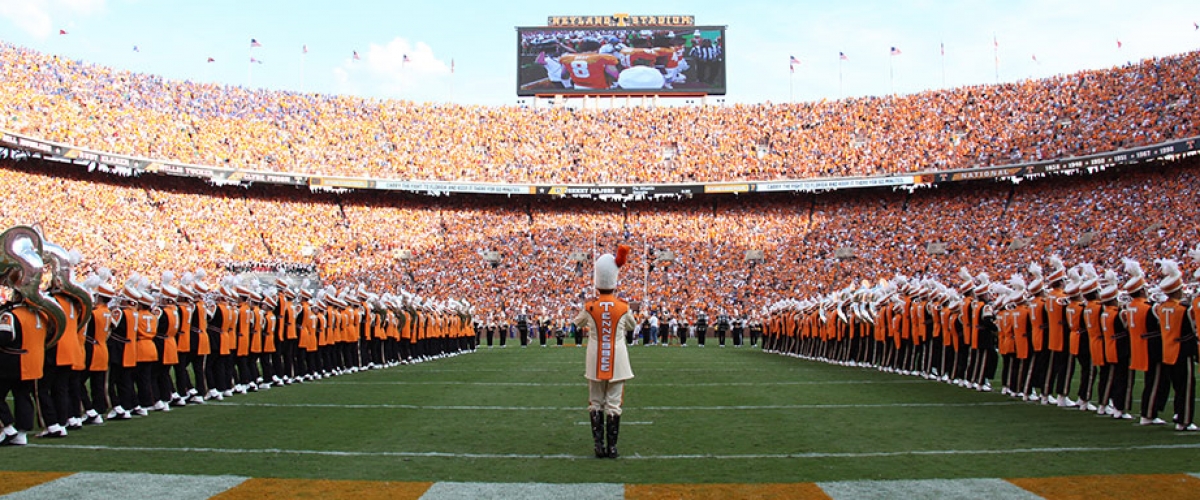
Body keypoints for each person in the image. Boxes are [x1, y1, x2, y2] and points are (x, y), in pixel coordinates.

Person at [574, 245, 636, 459]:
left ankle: (598, 446)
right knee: (614, 403)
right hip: (617, 358)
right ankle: (613, 447)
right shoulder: (623, 307)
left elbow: (577, 322)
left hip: (594, 357)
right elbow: (631, 326)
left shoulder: (590, 306)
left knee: (596, 402)